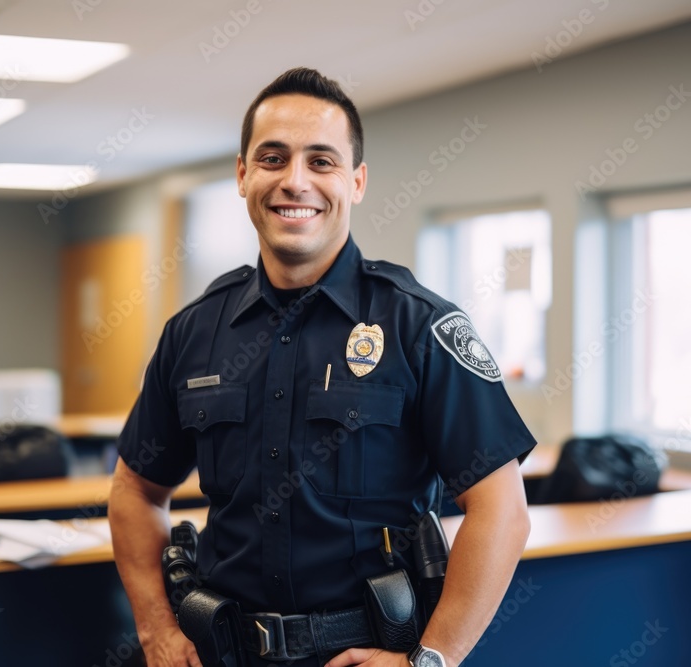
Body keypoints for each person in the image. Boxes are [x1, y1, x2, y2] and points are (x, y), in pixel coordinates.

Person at [108, 67, 535, 667]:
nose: (295, 181)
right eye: (273, 158)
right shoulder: (193, 332)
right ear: (242, 174)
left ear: (356, 181)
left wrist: (431, 660)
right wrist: (155, 629)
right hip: (220, 652)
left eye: (322, 161)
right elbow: (135, 491)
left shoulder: (419, 327)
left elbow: (502, 512)